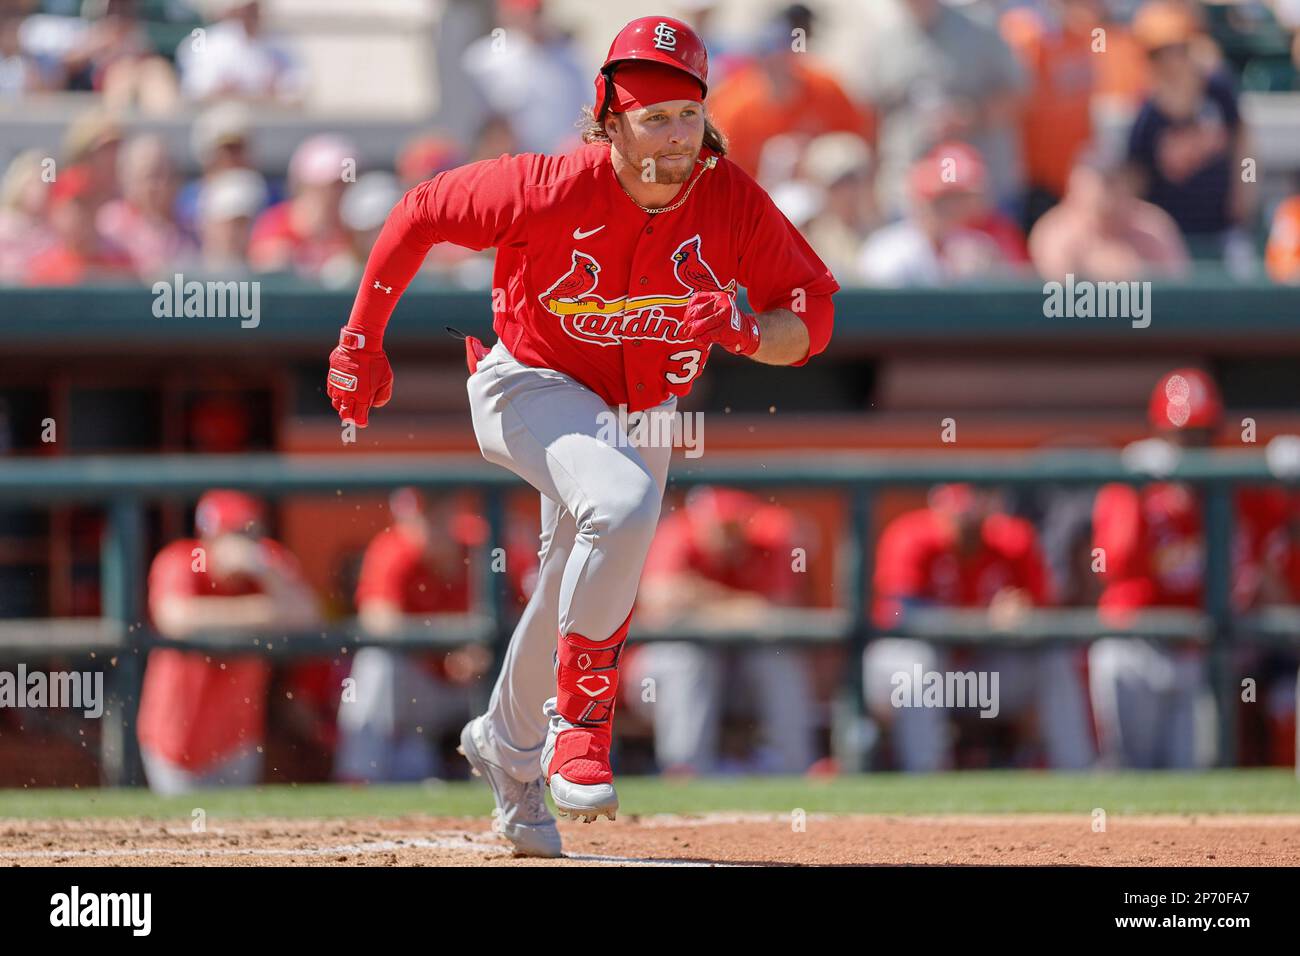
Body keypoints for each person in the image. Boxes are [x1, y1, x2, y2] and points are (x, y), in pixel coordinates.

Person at [326, 15, 837, 856]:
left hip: (641, 414)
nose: (674, 135)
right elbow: (418, 210)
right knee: (624, 504)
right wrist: (359, 337)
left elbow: (812, 317)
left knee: (576, 572)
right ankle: (583, 726)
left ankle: (509, 749)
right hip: (528, 381)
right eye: (653, 116)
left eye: (687, 114)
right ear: (609, 118)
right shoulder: (547, 184)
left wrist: (747, 333)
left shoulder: (729, 195)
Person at [1089, 368, 1282, 768]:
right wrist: (1135, 490)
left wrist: (1276, 464)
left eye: (1202, 434)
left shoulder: (1237, 490)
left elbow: (1281, 525)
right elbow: (1113, 568)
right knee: (1129, 764)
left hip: (1205, 648)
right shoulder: (1133, 491)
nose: (1192, 445)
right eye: (1181, 434)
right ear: (1159, 434)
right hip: (1141, 646)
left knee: (1194, 773)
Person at [865, 484, 1095, 771]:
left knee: (1055, 661)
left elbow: (1048, 613)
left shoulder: (1013, 539)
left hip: (978, 676)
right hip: (904, 676)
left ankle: (1078, 774)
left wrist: (1024, 614)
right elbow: (901, 615)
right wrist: (983, 619)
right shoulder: (911, 535)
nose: (966, 521)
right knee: (920, 664)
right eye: (959, 513)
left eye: (975, 511)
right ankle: (924, 778)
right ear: (939, 506)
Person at [136, 491, 320, 795]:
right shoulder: (184, 559)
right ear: (210, 538)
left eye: (251, 533)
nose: (245, 544)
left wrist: (263, 572)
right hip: (174, 741)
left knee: (234, 832)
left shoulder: (267, 562)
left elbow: (308, 615)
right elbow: (175, 618)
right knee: (184, 834)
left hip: (238, 740)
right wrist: (262, 612)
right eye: (235, 534)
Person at [625, 487, 816, 775]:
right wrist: (737, 607)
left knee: (777, 659)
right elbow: (659, 605)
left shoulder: (768, 540)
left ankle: (796, 770)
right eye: (721, 529)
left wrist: (700, 601)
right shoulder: (677, 533)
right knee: (688, 660)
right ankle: (685, 772)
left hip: (737, 676)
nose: (729, 538)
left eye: (735, 528)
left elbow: (776, 615)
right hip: (657, 679)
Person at [335, 488, 491, 783]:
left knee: (530, 659)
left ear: (453, 514)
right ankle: (356, 779)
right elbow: (376, 620)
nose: (425, 527)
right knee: (375, 659)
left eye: (436, 515)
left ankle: (539, 775)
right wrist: (449, 643)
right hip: (422, 687)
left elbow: (528, 611)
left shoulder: (482, 544)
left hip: (480, 682)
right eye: (418, 518)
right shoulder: (393, 547)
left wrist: (480, 649)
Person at [861, 0, 1027, 217]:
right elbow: (871, 118)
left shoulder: (980, 27)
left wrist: (972, 116)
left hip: (982, 195)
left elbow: (1018, 94)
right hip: (910, 196)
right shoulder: (883, 42)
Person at [1125, 1, 1254, 267]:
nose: (1175, 58)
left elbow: (1243, 141)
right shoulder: (1147, 117)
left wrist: (1245, 186)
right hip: (1173, 238)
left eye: (1180, 49)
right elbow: (1135, 184)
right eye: (1164, 52)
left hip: (1224, 229)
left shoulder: (1218, 91)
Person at [705, 4, 872, 182]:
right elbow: (723, 174)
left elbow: (861, 142)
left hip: (824, 193)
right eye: (767, 51)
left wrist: (815, 155)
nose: (776, 60)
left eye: (783, 48)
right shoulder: (732, 106)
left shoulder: (827, 89)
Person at [857, 143, 1019, 286]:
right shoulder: (889, 251)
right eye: (944, 200)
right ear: (920, 202)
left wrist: (982, 274)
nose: (953, 208)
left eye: (958, 199)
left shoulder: (977, 246)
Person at [1029, 146, 1190, 281]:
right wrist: (1098, 266)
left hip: (1146, 317)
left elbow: (1177, 284)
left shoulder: (1152, 225)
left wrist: (1137, 272)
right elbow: (1057, 292)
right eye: (1099, 181)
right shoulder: (1056, 229)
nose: (1105, 192)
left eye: (1113, 181)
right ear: (1074, 186)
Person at [248, 134, 354, 277]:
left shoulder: (355, 232)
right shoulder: (274, 225)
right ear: (307, 186)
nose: (341, 192)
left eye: (345, 184)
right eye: (334, 185)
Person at [96, 135, 197, 278]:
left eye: (170, 174)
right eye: (153, 176)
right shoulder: (111, 225)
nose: (163, 184)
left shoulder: (191, 227)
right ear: (128, 180)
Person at [176, 0, 304, 105]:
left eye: (254, 8)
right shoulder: (204, 43)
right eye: (245, 9)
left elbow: (296, 95)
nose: (251, 14)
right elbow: (197, 94)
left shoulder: (283, 43)